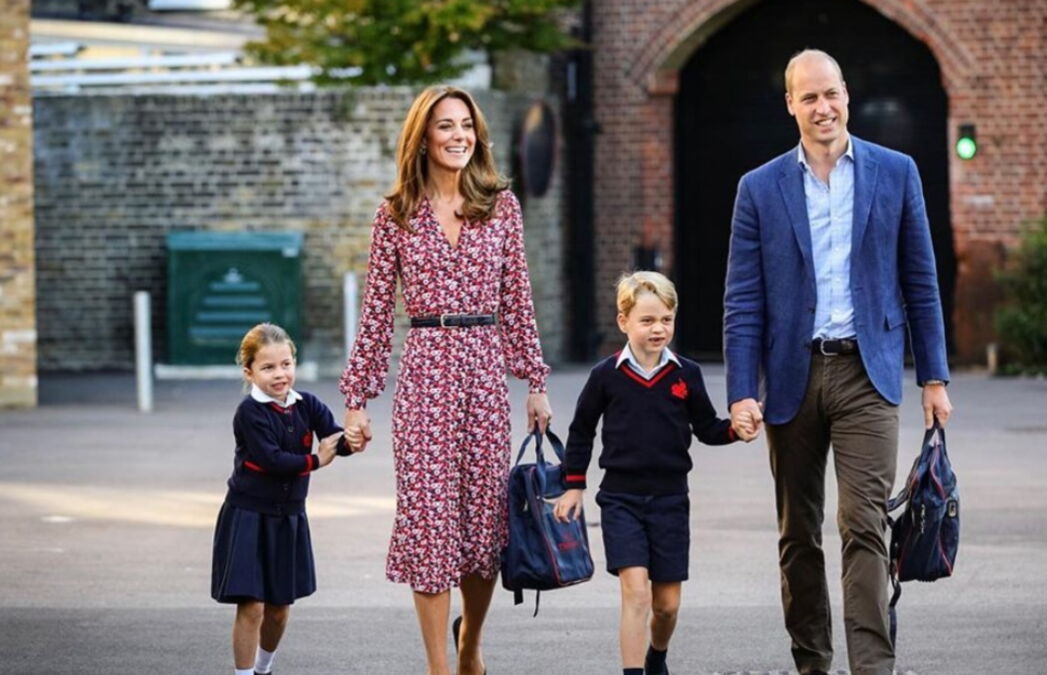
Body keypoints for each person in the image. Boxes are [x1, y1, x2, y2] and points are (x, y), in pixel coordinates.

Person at [723, 50, 954, 675]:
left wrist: (933, 376)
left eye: (831, 94)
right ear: (790, 104)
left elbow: (921, 280)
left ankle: (872, 666)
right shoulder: (759, 187)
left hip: (867, 374)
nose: (822, 108)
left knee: (864, 523)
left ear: (846, 95)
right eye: (809, 98)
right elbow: (742, 300)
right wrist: (743, 390)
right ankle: (812, 663)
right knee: (798, 532)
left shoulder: (895, 172)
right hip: (791, 376)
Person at [338, 85, 552, 675]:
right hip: (425, 370)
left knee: (484, 526)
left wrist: (534, 379)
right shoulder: (396, 215)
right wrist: (356, 400)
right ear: (423, 139)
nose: (459, 136)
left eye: (466, 125)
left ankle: (471, 644)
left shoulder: (501, 206)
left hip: (484, 372)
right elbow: (377, 311)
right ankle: (438, 666)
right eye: (445, 127)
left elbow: (519, 301)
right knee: (431, 525)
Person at [554, 271, 754, 675]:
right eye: (647, 321)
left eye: (665, 319)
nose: (658, 328)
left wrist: (736, 429)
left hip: (670, 500)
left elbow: (707, 429)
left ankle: (656, 656)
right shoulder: (605, 376)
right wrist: (574, 486)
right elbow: (581, 430)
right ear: (623, 321)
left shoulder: (686, 374)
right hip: (620, 500)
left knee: (666, 606)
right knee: (637, 594)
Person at [211, 322, 355, 675]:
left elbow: (335, 437)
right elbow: (272, 461)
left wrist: (352, 438)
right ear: (249, 371)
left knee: (279, 608)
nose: (280, 374)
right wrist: (318, 459)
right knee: (252, 605)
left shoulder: (308, 404)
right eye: (268, 367)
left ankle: (263, 669)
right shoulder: (249, 413)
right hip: (248, 515)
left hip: (289, 517)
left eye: (286, 364)